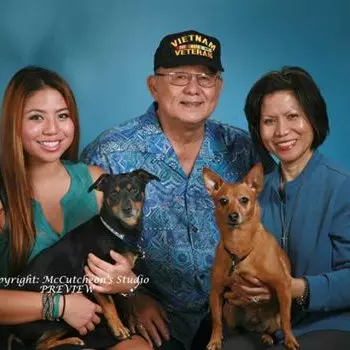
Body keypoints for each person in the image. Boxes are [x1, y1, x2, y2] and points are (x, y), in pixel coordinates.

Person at [81, 30, 271, 350]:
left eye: (205, 77)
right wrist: (132, 295)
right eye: (179, 77)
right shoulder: (110, 153)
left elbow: (278, 219)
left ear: (219, 88)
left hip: (234, 314)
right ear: (154, 86)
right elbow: (85, 246)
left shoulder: (243, 149)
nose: (193, 89)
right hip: (152, 323)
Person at [0, 66, 151, 350]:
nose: (52, 129)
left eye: (62, 116)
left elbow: (119, 265)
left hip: (98, 324)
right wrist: (60, 304)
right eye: (36, 117)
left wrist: (131, 287)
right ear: (13, 125)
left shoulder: (95, 181)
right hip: (36, 333)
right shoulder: (3, 199)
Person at [223, 66, 350, 349]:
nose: (282, 132)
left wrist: (295, 290)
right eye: (269, 121)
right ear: (258, 129)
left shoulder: (343, 187)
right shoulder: (252, 193)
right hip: (264, 325)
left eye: (293, 117)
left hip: (330, 325)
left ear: (313, 119)